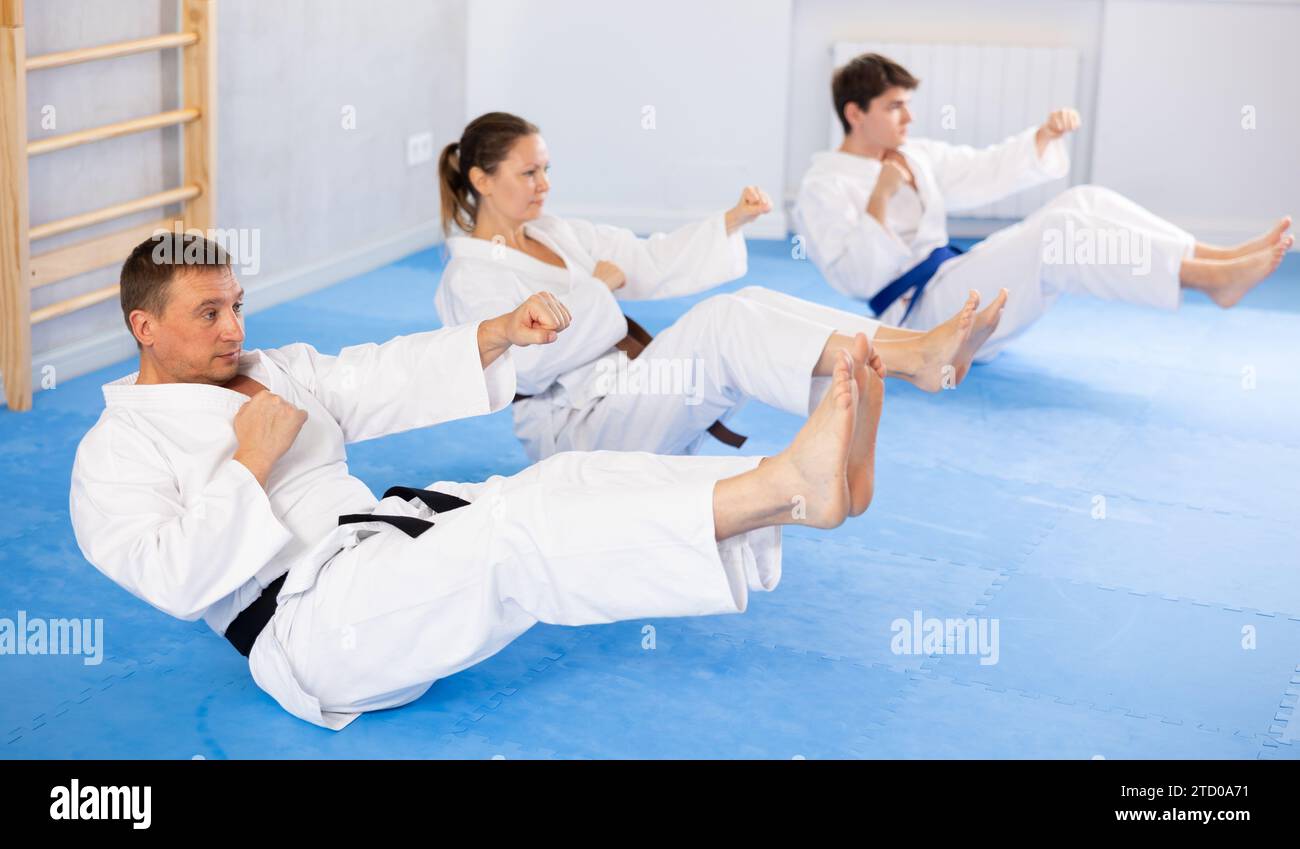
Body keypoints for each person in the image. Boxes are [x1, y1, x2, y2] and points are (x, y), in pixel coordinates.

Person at [68, 232, 882, 731]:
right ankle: (783, 486)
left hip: (383, 555)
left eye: (237, 304)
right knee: (516, 539)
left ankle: (793, 490)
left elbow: (377, 374)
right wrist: (252, 460)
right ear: (144, 327)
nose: (235, 328)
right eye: (209, 312)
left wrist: (496, 333)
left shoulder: (269, 369)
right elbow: (174, 577)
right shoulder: (115, 451)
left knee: (564, 481)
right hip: (315, 631)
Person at [434, 112, 1004, 461]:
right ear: (482, 180)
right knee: (721, 323)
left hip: (628, 393)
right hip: (575, 430)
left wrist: (726, 225)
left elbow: (645, 258)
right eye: (528, 173)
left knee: (750, 304)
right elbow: (522, 370)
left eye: (547, 169)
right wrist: (596, 292)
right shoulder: (469, 276)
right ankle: (914, 358)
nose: (544, 185)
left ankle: (913, 351)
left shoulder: (556, 232)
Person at [794, 52, 1293, 359]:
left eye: (907, 103)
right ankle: (1207, 279)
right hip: (922, 322)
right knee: (1060, 234)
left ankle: (1214, 259)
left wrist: (1042, 137)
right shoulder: (823, 186)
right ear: (855, 113)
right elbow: (856, 279)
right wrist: (880, 196)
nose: (910, 116)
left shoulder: (913, 155)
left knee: (1083, 200)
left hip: (957, 283)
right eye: (895, 106)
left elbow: (983, 168)